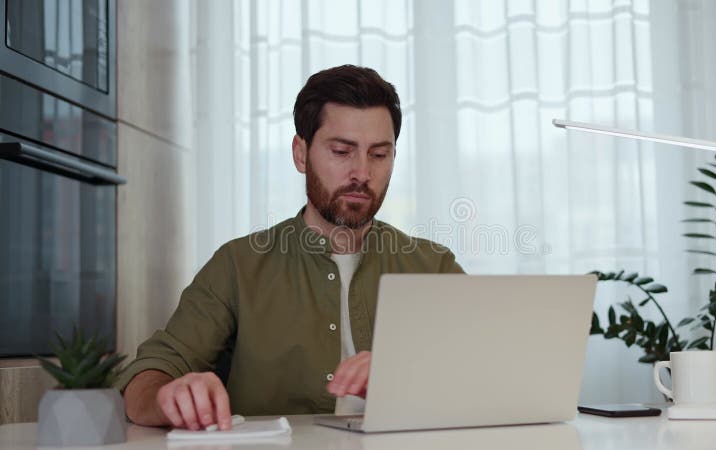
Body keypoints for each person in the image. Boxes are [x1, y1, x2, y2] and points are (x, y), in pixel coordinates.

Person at [118, 65, 464, 431]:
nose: (362, 173)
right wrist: (169, 396)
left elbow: (491, 367)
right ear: (301, 154)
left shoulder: (434, 266)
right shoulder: (238, 266)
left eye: (379, 155)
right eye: (342, 151)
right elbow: (147, 377)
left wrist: (405, 372)